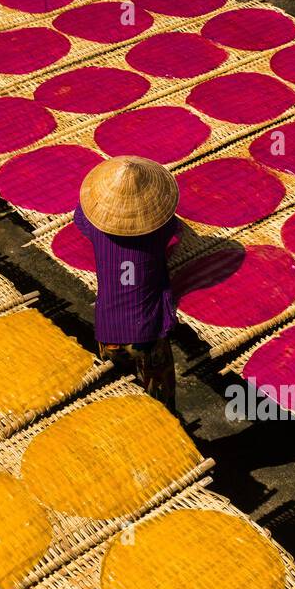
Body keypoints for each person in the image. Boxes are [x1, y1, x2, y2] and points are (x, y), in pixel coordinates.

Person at [74, 155, 181, 412]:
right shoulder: (159, 231)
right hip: (145, 335)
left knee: (119, 400)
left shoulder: (95, 228)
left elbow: (80, 215)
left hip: (107, 332)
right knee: (161, 403)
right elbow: (173, 224)